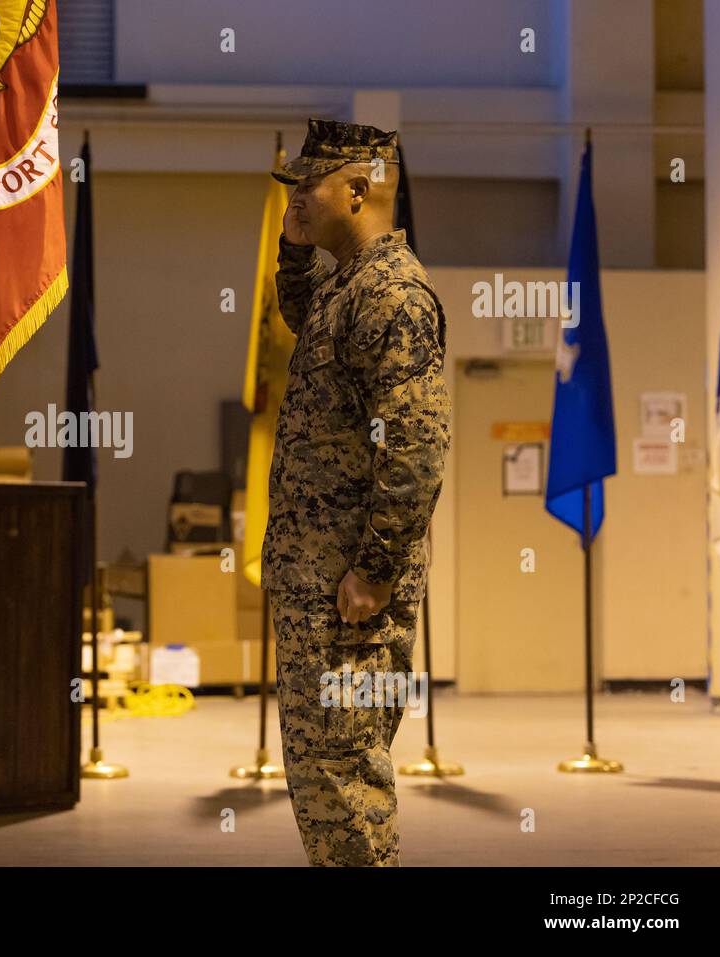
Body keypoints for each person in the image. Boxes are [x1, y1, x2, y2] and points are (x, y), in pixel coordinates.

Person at [261, 119, 451, 866]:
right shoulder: (345, 286)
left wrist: (374, 569)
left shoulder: (392, 296)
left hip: (350, 596)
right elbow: (300, 312)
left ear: (359, 189)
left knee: (344, 779)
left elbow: (416, 447)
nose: (296, 197)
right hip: (317, 588)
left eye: (307, 186)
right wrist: (292, 242)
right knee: (322, 778)